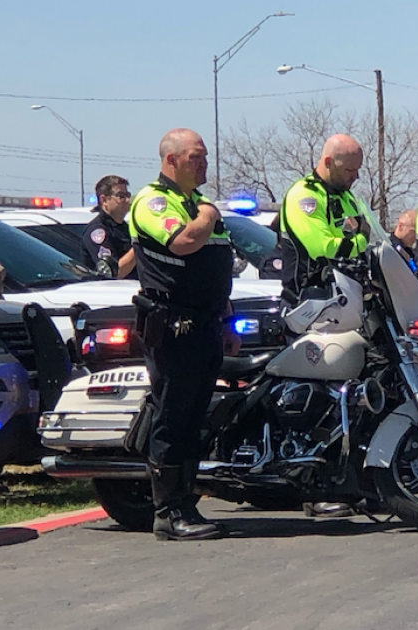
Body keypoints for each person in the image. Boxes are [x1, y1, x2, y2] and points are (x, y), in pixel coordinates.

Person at [128, 128, 240, 541]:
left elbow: (214, 269)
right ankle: (167, 512)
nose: (204, 163)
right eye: (196, 157)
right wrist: (208, 216)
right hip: (173, 328)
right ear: (171, 160)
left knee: (194, 419)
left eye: (205, 156)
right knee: (173, 417)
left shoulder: (193, 203)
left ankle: (186, 503)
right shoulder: (155, 201)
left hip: (205, 324)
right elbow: (184, 243)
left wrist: (227, 323)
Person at [277, 134, 369, 297]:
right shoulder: (305, 196)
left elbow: (354, 234)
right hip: (311, 299)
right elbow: (324, 249)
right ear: (328, 163)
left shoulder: (346, 197)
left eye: (357, 170)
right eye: (349, 170)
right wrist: (363, 241)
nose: (356, 176)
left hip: (346, 295)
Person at [82, 175, 137, 279]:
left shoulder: (126, 228)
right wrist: (139, 248)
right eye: (121, 196)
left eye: (128, 195)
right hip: (111, 291)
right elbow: (113, 273)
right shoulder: (98, 231)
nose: (127, 200)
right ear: (104, 200)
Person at [390, 209, 418, 275]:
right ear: (401, 226)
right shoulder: (390, 250)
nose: (415, 236)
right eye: (413, 231)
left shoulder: (412, 252)